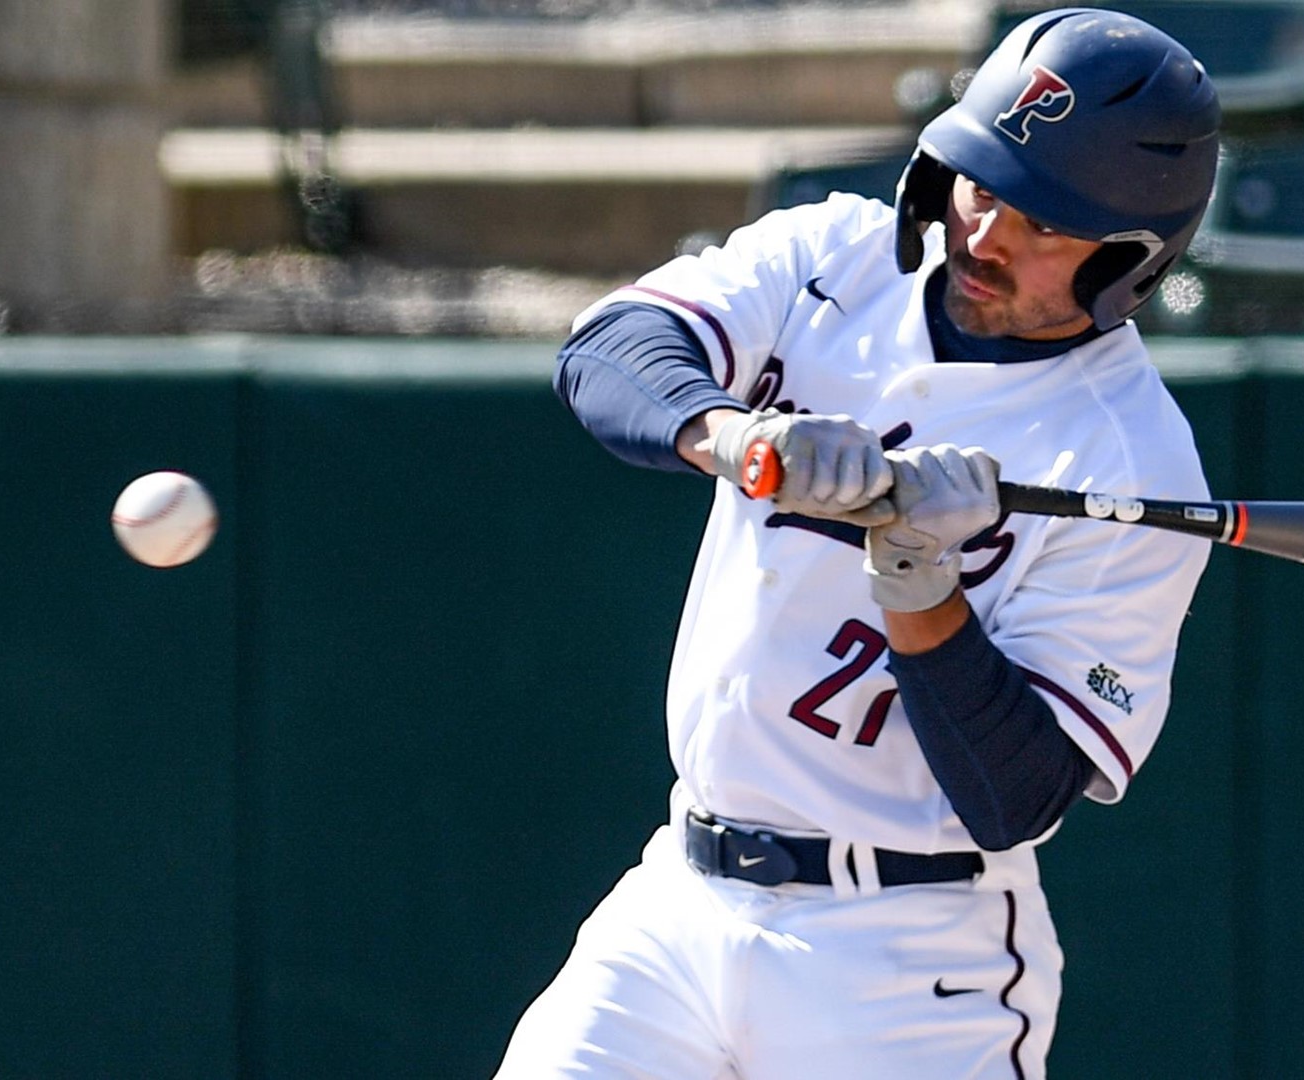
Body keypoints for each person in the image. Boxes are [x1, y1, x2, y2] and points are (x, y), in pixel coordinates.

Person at [496, 9, 1221, 1078]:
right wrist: (737, 436)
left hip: (904, 956)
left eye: (1043, 225)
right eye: (982, 187)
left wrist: (920, 585)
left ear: (1129, 258)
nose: (988, 237)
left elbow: (1015, 796)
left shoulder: (1131, 458)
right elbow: (607, 351)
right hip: (680, 901)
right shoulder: (832, 252)